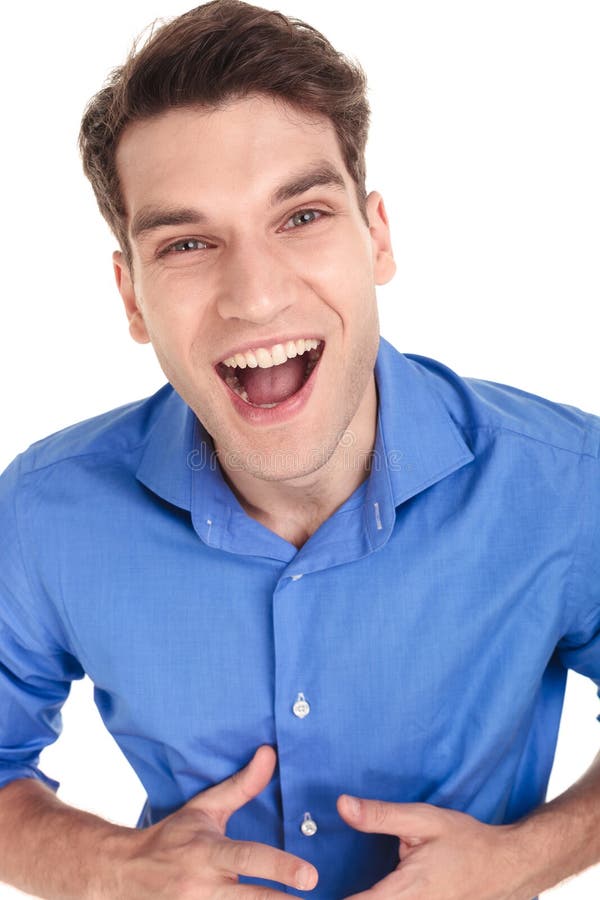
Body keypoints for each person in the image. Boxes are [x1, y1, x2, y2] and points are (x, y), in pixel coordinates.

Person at [0, 0, 599, 897]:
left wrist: (526, 858)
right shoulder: (44, 512)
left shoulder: (568, 483)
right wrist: (109, 869)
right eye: (190, 242)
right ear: (130, 296)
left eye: (302, 217)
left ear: (378, 236)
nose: (256, 296)